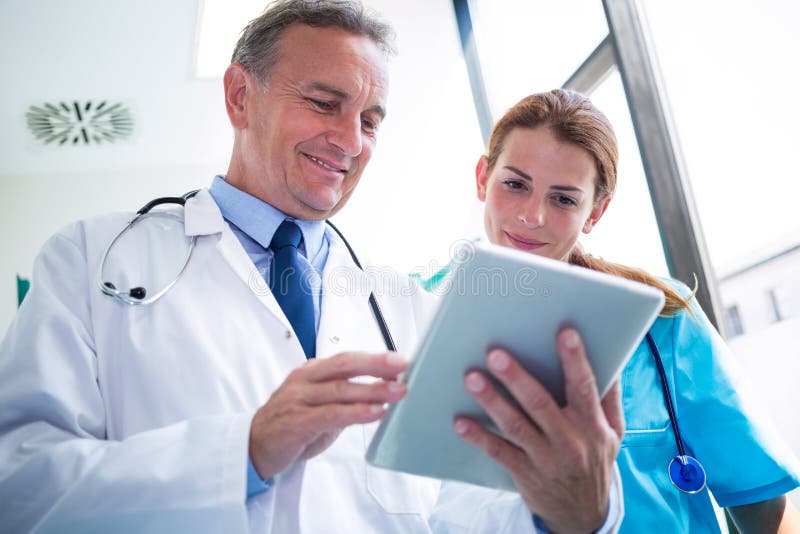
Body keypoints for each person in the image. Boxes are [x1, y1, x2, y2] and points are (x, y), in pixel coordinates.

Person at [0, 3, 625, 533]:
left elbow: (456, 513)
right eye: (326, 104)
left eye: (370, 122)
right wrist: (243, 451)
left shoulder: (406, 306)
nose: (351, 141)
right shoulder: (94, 258)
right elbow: (19, 485)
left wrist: (566, 512)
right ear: (240, 96)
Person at [420, 88, 800, 532]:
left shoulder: (661, 320)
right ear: (483, 178)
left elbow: (764, 510)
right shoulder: (414, 316)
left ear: (595, 212)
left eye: (563, 199)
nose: (532, 216)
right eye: (515, 184)